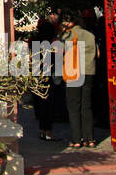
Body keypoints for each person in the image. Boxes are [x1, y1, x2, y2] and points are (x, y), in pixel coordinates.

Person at [59, 10, 99, 149]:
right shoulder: (90, 35)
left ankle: (76, 139)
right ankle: (90, 139)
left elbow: (60, 52)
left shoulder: (68, 35)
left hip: (74, 73)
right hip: (88, 72)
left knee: (73, 107)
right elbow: (97, 53)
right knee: (86, 106)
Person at [28, 11, 58, 141]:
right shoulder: (51, 43)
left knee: (39, 104)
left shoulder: (33, 41)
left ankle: (42, 130)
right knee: (48, 105)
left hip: (36, 74)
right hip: (48, 75)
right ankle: (48, 131)